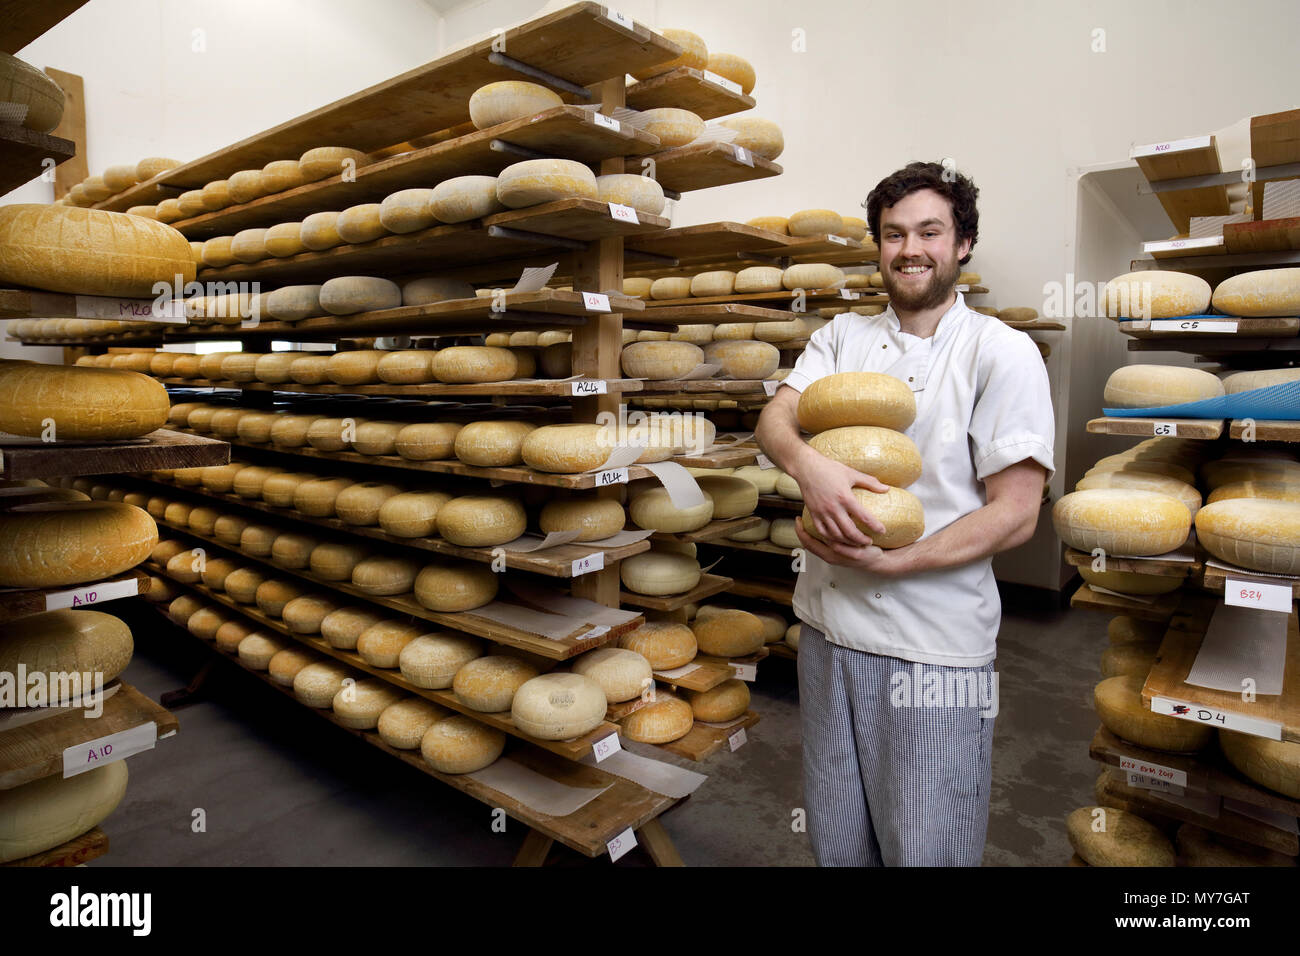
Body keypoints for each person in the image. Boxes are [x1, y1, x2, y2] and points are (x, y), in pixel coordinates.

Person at [755, 161, 1055, 866]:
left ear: (963, 244)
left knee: (926, 845)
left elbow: (1016, 515)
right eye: (893, 234)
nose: (910, 248)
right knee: (838, 841)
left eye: (929, 231)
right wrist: (810, 467)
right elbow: (775, 421)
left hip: (932, 645)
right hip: (828, 628)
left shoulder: (1001, 352)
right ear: (878, 246)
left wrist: (897, 559)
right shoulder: (839, 340)